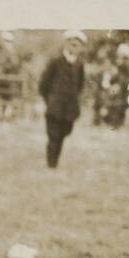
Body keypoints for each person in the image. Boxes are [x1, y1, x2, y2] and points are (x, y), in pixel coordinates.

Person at [40, 30, 87, 168]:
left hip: (70, 108)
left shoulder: (79, 64)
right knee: (53, 135)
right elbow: (44, 85)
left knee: (64, 133)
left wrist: (73, 99)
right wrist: (50, 101)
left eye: (77, 45)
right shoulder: (56, 61)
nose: (74, 47)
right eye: (71, 44)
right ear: (66, 44)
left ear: (80, 47)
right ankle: (52, 164)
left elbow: (80, 85)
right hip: (55, 106)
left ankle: (54, 161)